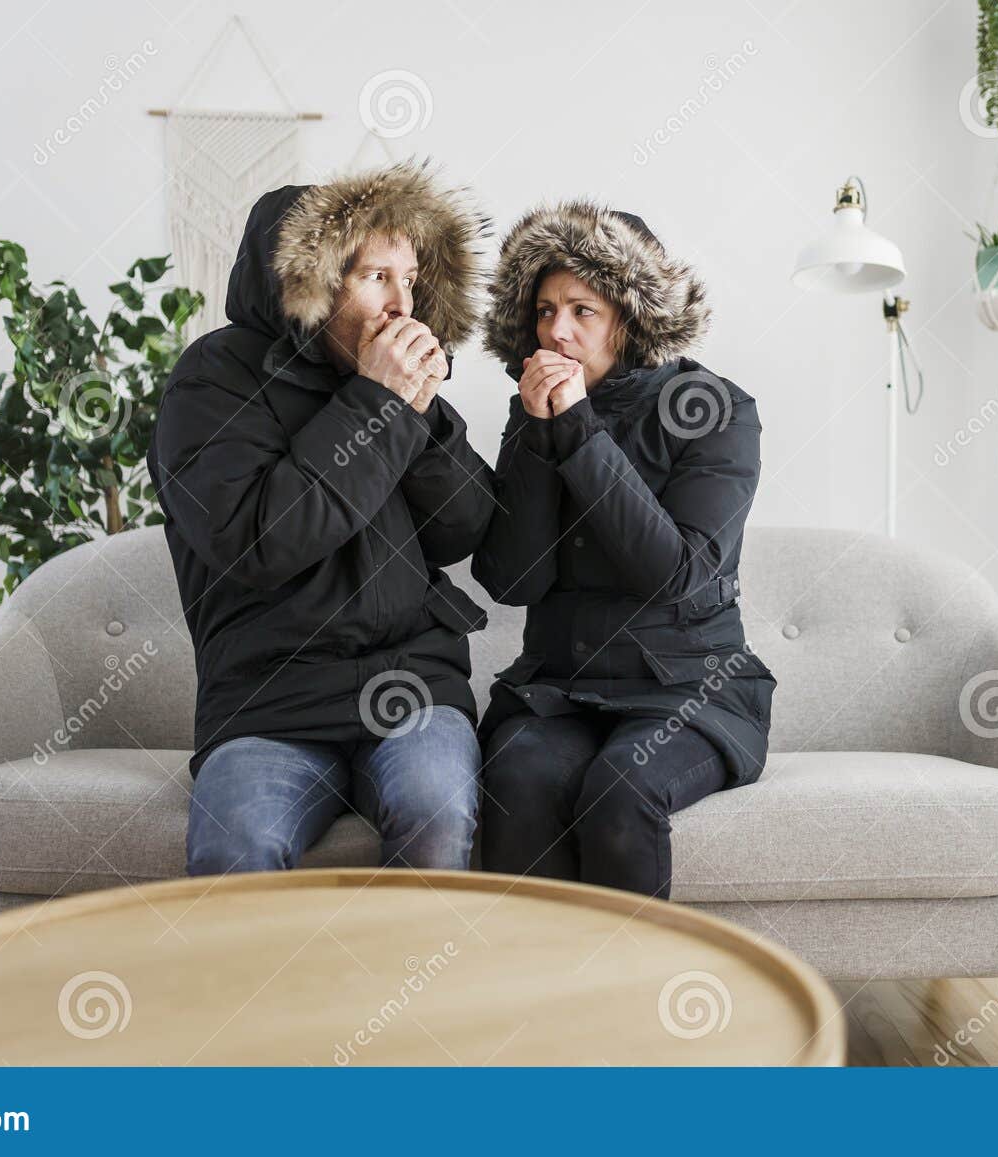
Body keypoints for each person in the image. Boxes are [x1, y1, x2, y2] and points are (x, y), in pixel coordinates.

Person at [147, 160, 496, 876]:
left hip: (413, 685)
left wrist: (418, 417)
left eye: (411, 278)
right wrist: (376, 404)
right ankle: (262, 994)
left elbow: (469, 530)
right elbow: (263, 540)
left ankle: (409, 990)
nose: (404, 304)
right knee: (236, 842)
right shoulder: (210, 381)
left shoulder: (396, 381)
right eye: (377, 278)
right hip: (268, 704)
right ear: (308, 286)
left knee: (437, 808)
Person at [471, 200, 776, 899]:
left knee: (619, 788)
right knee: (517, 779)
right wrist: (534, 432)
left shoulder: (715, 408)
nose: (557, 330)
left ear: (632, 318)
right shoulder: (534, 410)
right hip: (560, 689)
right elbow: (512, 578)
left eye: (583, 310)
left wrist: (579, 429)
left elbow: (675, 572)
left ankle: (628, 1002)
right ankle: (529, 1000)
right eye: (545, 311)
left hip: (688, 688)